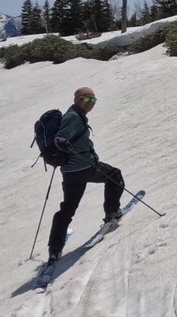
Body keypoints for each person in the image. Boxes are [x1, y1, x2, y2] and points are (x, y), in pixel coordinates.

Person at [46, 87, 125, 264]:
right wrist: (63, 143)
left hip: (70, 172)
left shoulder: (75, 114)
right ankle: (112, 213)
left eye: (93, 101)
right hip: (84, 166)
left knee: (67, 209)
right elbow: (61, 138)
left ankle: (55, 249)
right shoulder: (73, 117)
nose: (90, 104)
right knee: (115, 176)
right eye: (86, 99)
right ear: (77, 99)